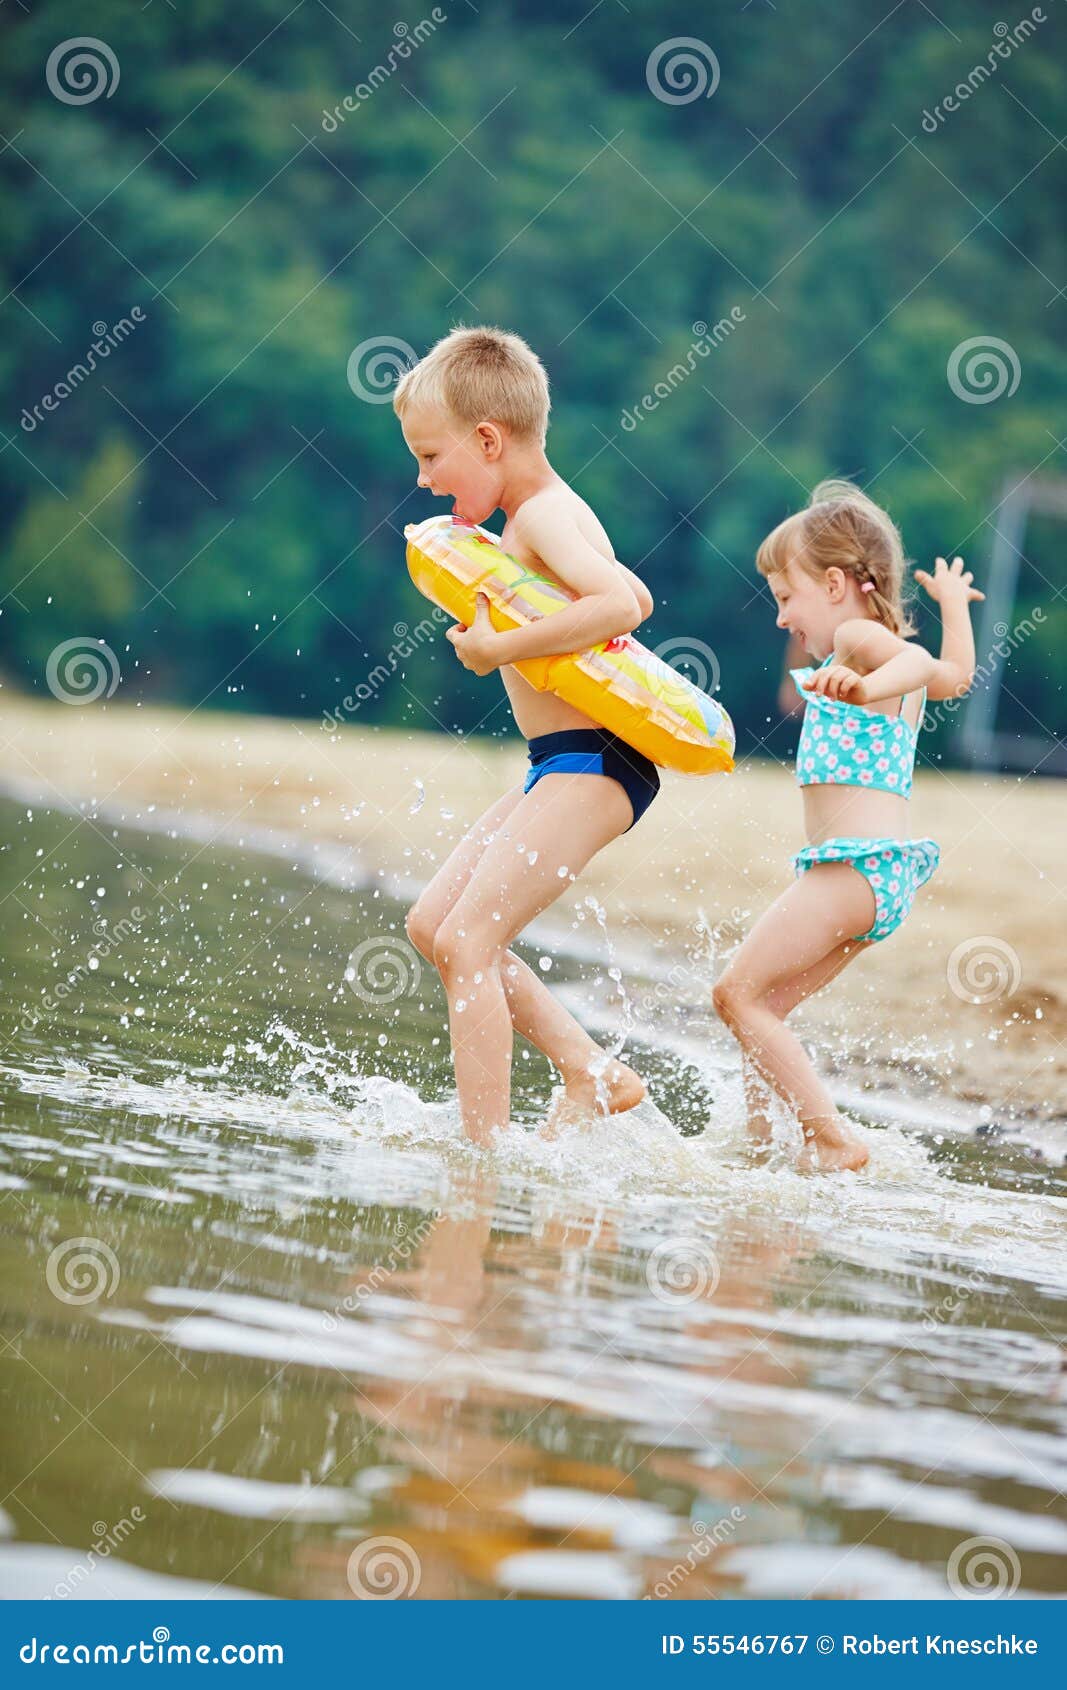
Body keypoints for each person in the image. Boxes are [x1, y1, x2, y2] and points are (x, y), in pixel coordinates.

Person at [393, 326, 659, 1144]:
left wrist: (495, 649)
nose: (422, 476)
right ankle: (591, 1072)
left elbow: (625, 605)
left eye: (431, 457)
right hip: (558, 763)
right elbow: (622, 589)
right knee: (432, 927)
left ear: (486, 439)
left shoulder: (542, 515)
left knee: (470, 938)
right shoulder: (533, 520)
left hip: (597, 762)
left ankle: (481, 1159)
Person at [713, 480, 983, 1173]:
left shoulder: (864, 646)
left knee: (733, 995)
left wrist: (863, 685)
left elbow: (916, 664)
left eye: (784, 597)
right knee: (764, 1007)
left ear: (835, 584)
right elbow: (950, 672)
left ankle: (829, 1139)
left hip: (853, 869)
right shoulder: (866, 652)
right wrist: (953, 607)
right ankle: (762, 1145)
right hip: (875, 880)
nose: (780, 619)